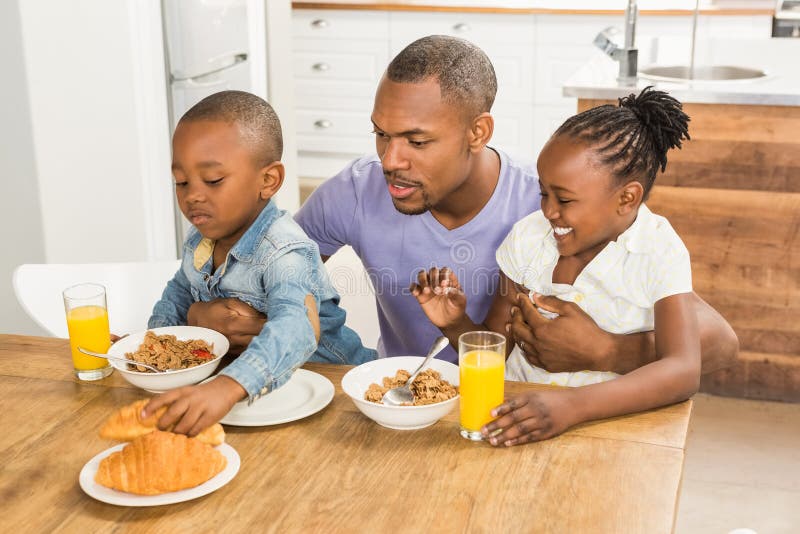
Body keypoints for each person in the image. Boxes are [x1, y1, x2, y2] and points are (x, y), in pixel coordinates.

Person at [189, 36, 737, 380]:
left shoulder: (549, 206)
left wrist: (606, 352)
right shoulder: (356, 191)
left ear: (478, 132)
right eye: (381, 134)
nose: (389, 160)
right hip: (400, 395)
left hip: (515, 404)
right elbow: (260, 268)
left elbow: (716, 341)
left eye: (416, 141)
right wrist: (208, 319)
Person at [413, 87, 702, 445]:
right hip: (517, 416)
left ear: (627, 198)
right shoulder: (528, 238)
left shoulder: (657, 251)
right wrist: (456, 323)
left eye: (564, 199)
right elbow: (498, 350)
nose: (548, 211)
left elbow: (684, 369)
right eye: (543, 193)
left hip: (607, 428)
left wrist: (572, 407)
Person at [141, 91, 375, 435]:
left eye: (213, 180)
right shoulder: (201, 238)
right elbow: (180, 291)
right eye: (181, 181)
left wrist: (227, 386)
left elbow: (295, 326)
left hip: (337, 391)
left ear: (268, 181)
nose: (192, 195)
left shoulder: (283, 251)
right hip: (262, 401)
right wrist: (152, 347)